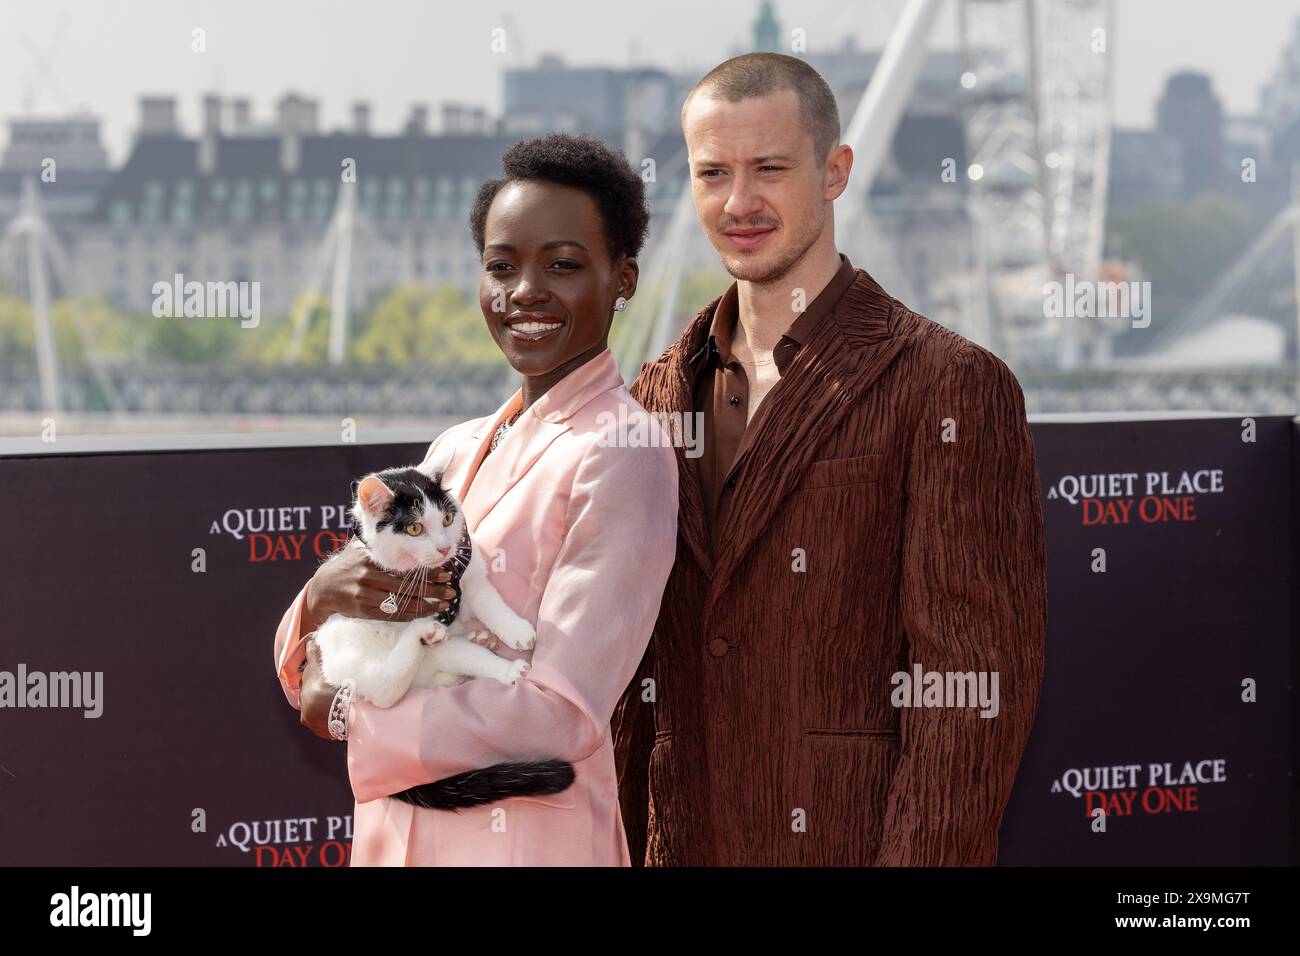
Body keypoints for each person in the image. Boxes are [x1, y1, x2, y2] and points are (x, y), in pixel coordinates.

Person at [613, 53, 1049, 865]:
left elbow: (971, 697)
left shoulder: (950, 385)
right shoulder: (654, 396)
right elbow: (626, 688)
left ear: (835, 171)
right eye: (713, 173)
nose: (739, 203)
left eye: (770, 168)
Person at [272, 133, 678, 866]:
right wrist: (325, 596)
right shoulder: (454, 451)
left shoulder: (623, 451)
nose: (524, 291)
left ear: (624, 279)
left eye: (562, 264)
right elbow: (307, 653)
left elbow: (559, 710)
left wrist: (353, 720)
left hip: (526, 843)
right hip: (394, 839)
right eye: (501, 265)